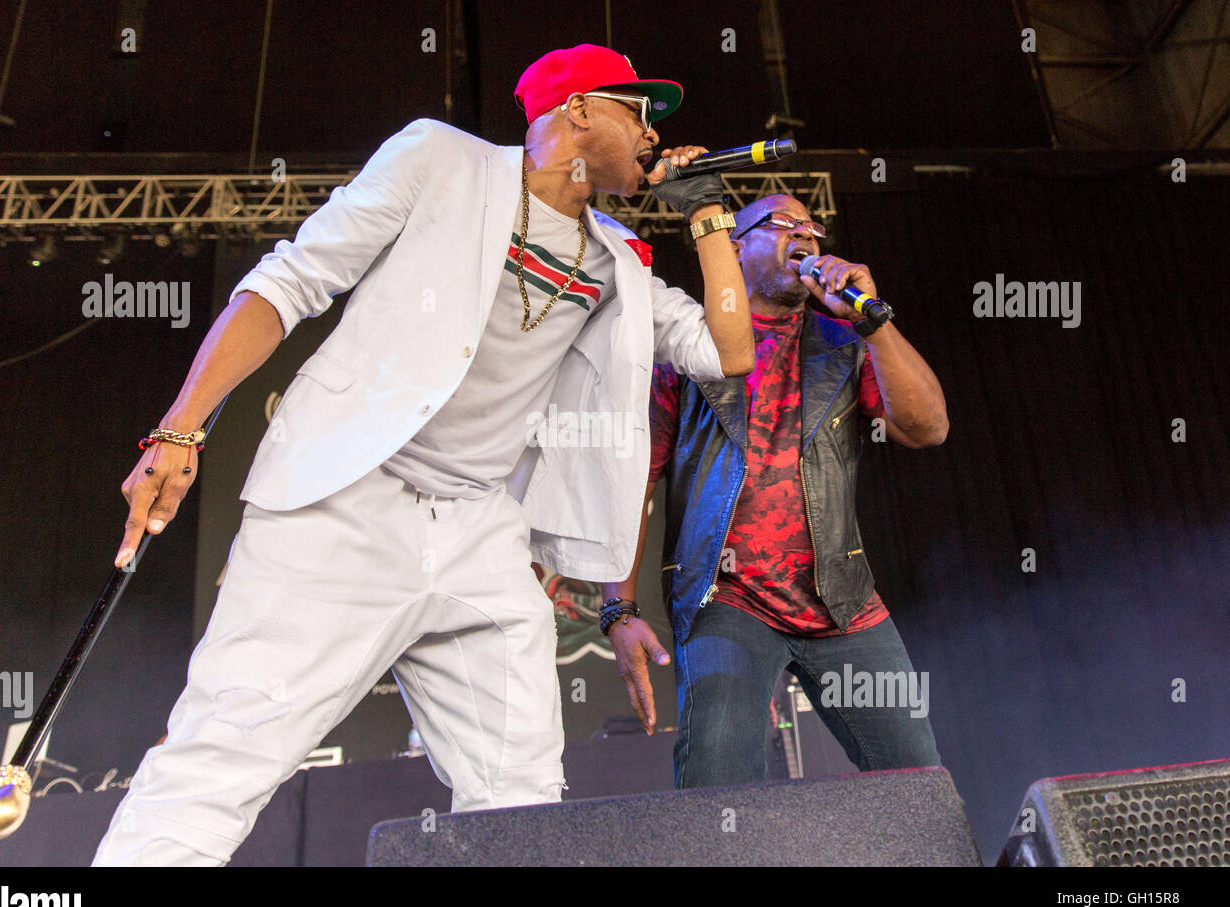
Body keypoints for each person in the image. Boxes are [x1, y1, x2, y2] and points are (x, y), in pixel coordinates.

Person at [92, 44, 754, 865]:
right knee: (220, 760)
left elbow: (728, 353)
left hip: (481, 533)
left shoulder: (618, 256)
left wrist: (709, 217)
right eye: (638, 111)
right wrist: (181, 427)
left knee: (521, 796)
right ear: (579, 109)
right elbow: (290, 282)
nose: (654, 135)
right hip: (347, 504)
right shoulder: (442, 160)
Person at [601, 192, 948, 787]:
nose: (806, 236)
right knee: (718, 781)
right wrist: (619, 608)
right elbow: (633, 483)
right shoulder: (687, 347)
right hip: (726, 598)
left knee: (919, 785)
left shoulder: (845, 343)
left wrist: (873, 323)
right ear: (736, 247)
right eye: (784, 225)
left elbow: (928, 428)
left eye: (813, 228)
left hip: (843, 602)